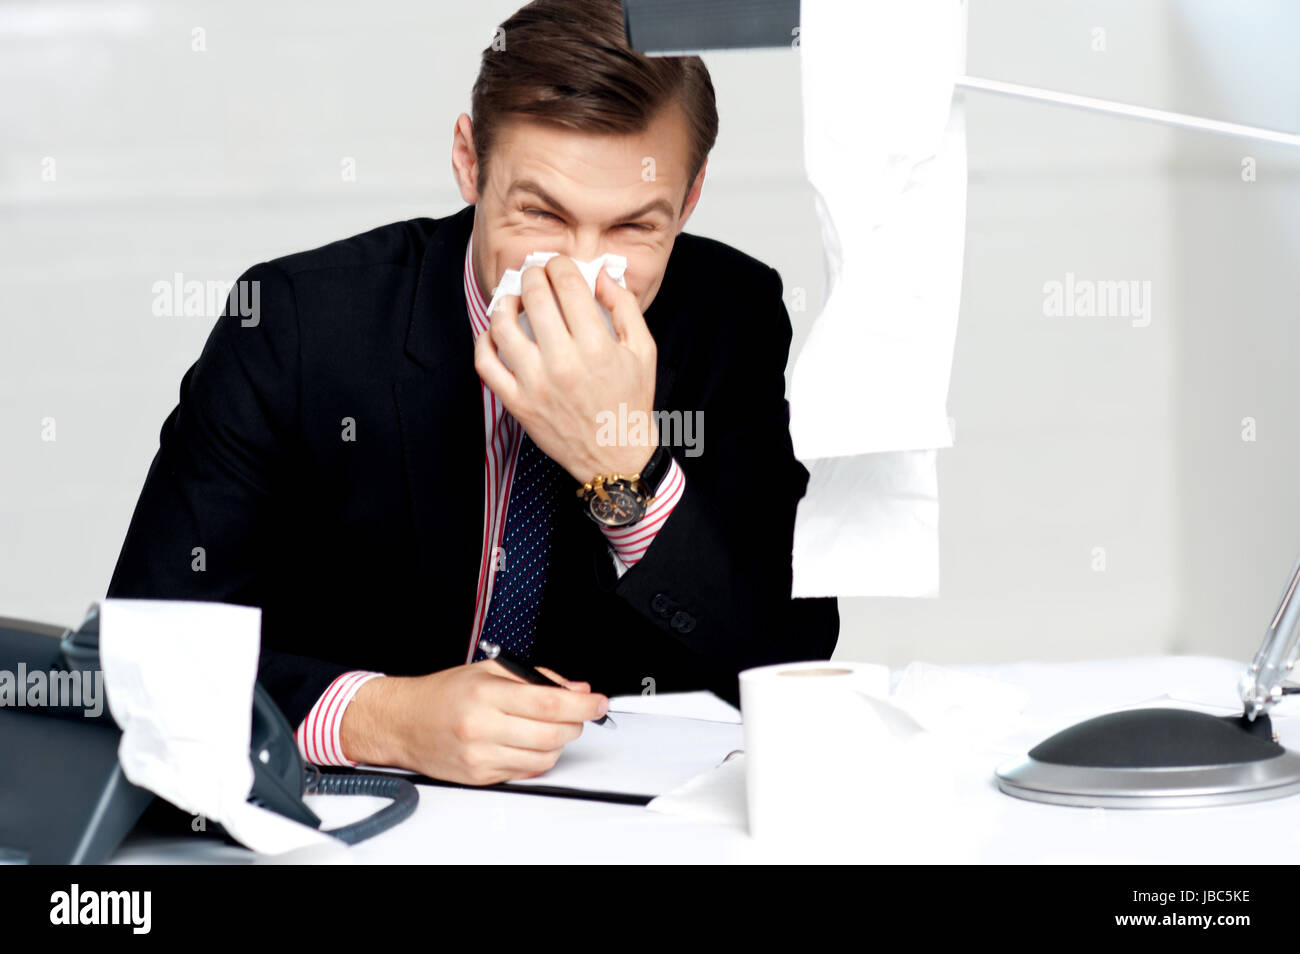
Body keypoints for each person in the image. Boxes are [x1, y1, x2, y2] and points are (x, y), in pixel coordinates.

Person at [107, 0, 838, 786]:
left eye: (634, 229)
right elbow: (144, 653)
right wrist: (384, 717)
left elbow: (787, 660)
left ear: (690, 200)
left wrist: (622, 465)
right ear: (469, 162)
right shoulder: (297, 325)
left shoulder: (731, 317)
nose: (580, 276)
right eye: (541, 213)